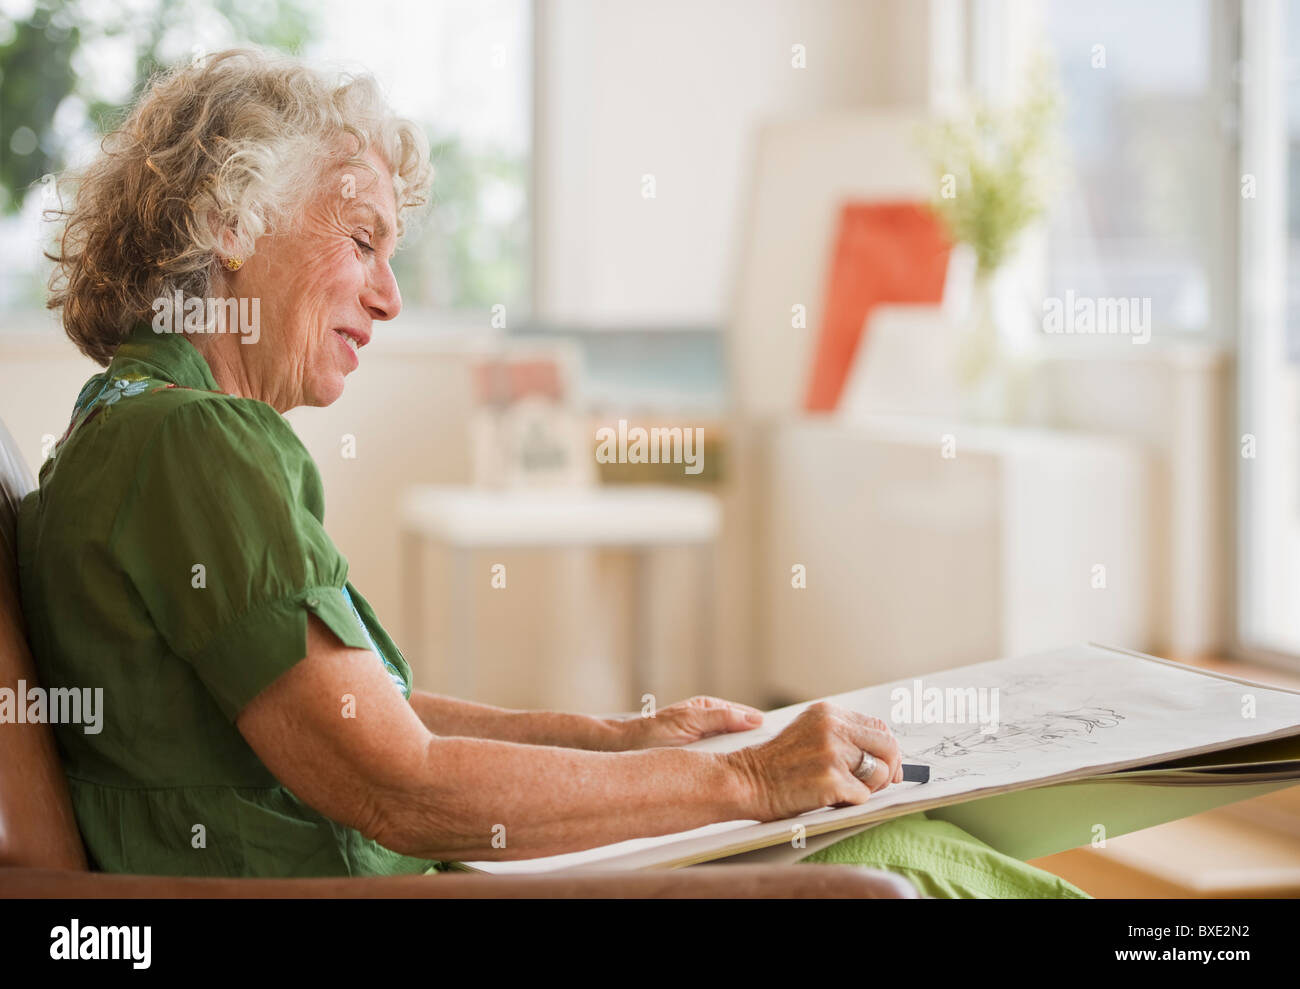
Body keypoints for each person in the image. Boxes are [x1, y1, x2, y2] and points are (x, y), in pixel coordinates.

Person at [21, 47, 1086, 898]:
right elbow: (401, 783)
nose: (390, 297)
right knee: (919, 858)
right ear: (230, 223)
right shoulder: (196, 445)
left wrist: (616, 737)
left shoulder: (118, 428)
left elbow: (366, 713)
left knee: (917, 837)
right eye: (361, 239)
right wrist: (742, 777)